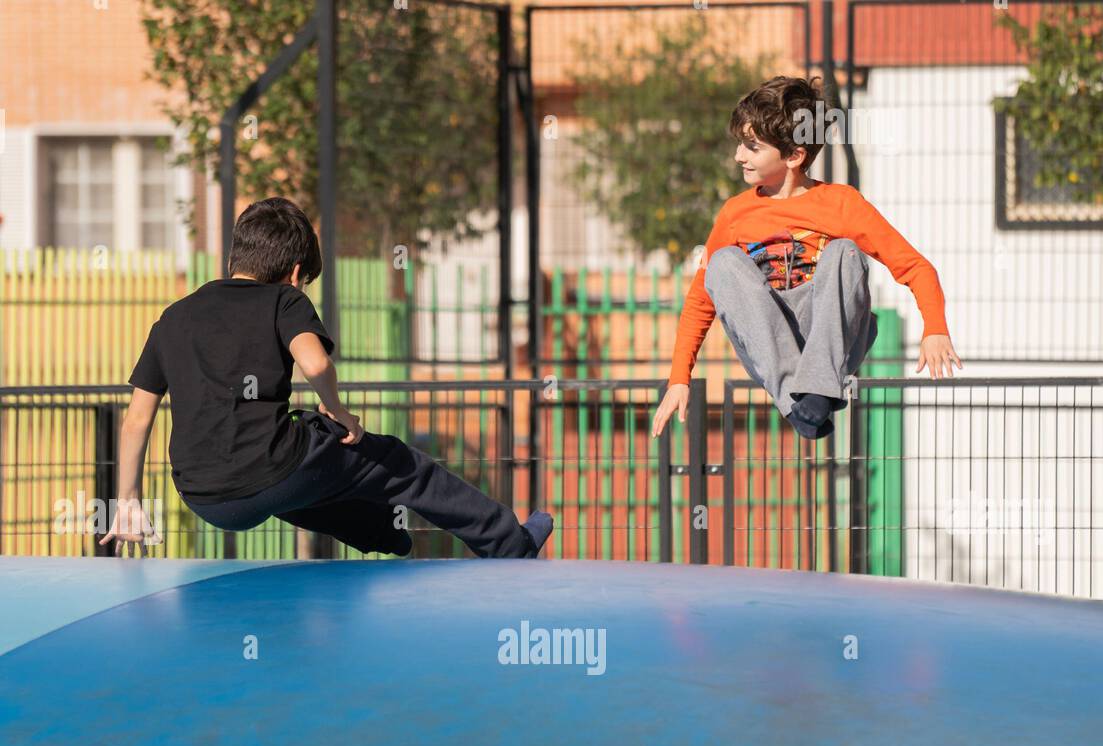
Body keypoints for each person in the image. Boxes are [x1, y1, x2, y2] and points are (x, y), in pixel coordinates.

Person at [102, 197, 553, 558]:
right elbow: (315, 363)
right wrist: (339, 413)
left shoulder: (174, 318)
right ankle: (510, 543)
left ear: (235, 256)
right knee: (397, 463)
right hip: (270, 471)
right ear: (295, 273)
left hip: (203, 495)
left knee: (305, 474)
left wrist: (127, 501)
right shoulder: (283, 299)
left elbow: (137, 419)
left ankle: (385, 536)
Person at [652, 75, 963, 441]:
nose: (738, 156)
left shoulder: (840, 203)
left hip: (832, 336)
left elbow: (914, 266)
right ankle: (802, 403)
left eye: (752, 147)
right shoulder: (735, 213)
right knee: (720, 264)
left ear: (794, 156)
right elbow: (700, 301)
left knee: (844, 252)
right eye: (740, 144)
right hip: (771, 343)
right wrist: (678, 379)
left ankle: (817, 387)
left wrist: (935, 328)